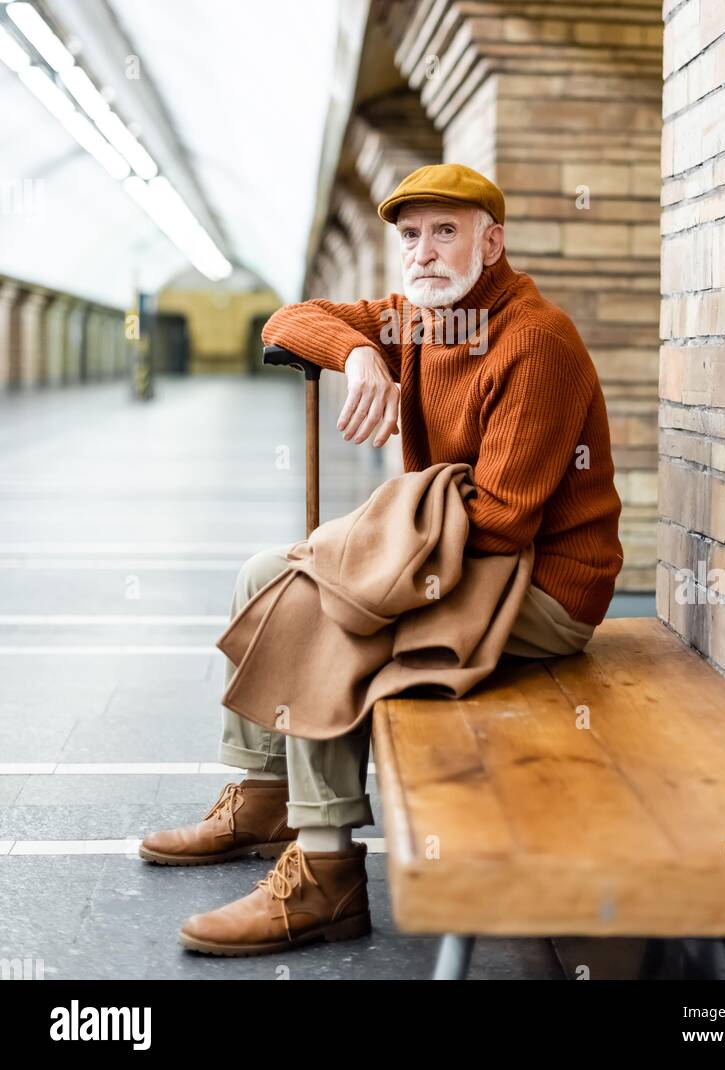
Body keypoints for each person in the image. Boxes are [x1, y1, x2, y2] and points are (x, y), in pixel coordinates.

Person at [139, 162, 623, 956]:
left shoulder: (535, 342)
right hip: (467, 563)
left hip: (540, 589)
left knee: (327, 614)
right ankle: (263, 799)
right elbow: (288, 321)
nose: (424, 251)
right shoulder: (420, 323)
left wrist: (364, 549)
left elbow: (502, 523)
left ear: (490, 242)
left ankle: (326, 873)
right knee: (266, 572)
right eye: (410, 236)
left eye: (445, 232)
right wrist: (360, 354)